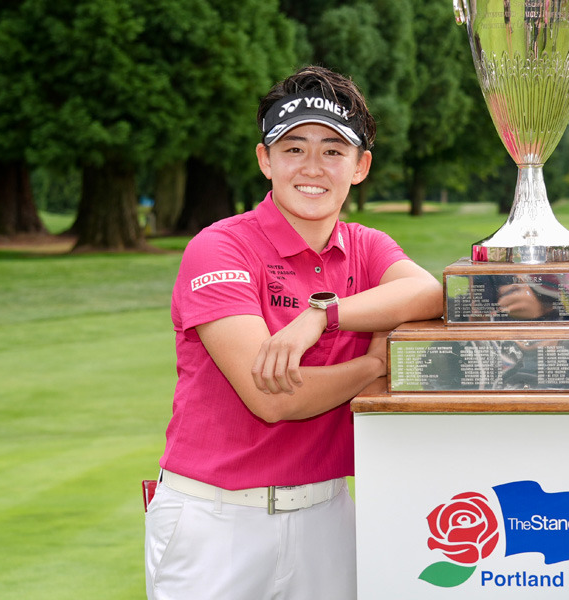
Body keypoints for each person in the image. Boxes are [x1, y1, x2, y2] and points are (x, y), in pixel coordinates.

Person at [144, 66, 443, 599]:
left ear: (360, 166)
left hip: (328, 514)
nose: (313, 167)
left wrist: (323, 316)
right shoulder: (219, 247)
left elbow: (430, 293)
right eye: (293, 148)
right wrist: (375, 366)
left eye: (333, 150)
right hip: (216, 522)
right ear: (265, 160)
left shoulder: (367, 246)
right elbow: (271, 397)